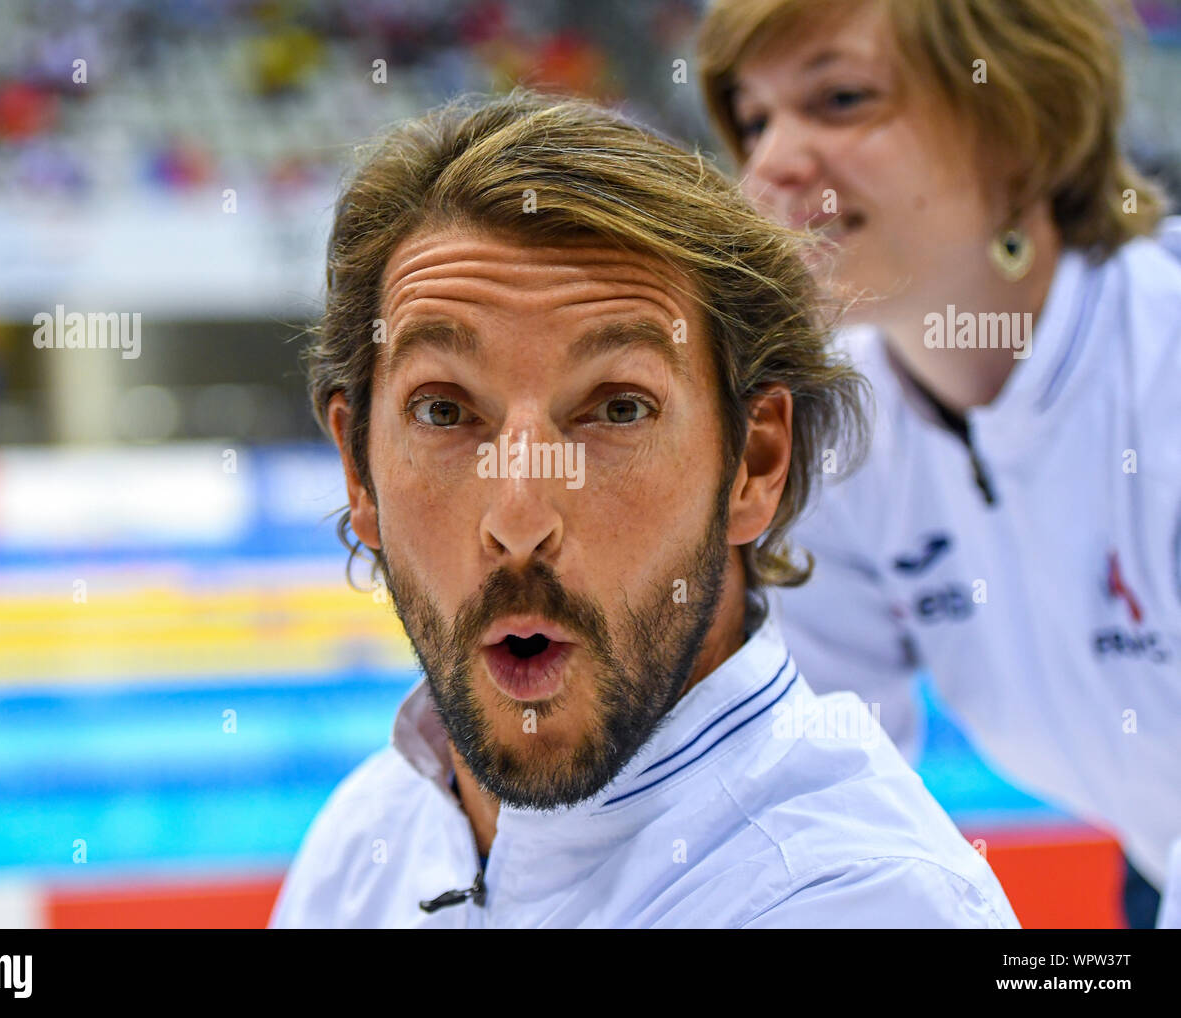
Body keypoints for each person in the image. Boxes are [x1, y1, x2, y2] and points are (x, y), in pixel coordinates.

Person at [269, 89, 1018, 928]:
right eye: (443, 411)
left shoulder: (859, 902)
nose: (519, 517)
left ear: (754, 461)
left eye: (618, 409)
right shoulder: (368, 837)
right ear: (358, 473)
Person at [697, 0, 1181, 927]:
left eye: (840, 98)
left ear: (1022, 128)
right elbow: (818, 796)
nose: (771, 167)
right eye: (755, 120)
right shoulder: (836, 434)